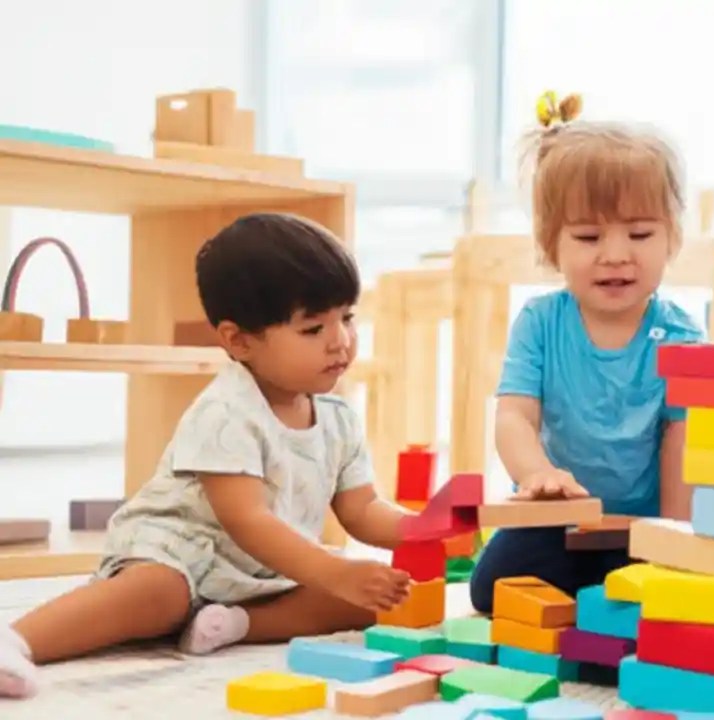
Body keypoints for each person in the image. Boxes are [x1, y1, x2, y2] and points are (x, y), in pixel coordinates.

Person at [0, 213, 414, 699]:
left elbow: (362, 509)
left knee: (374, 601)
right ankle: (18, 639)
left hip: (259, 575)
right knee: (160, 594)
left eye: (347, 318)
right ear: (238, 341)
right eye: (312, 328)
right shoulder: (226, 411)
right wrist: (333, 572)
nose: (340, 340)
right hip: (179, 554)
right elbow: (248, 521)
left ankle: (234, 624)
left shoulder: (338, 418)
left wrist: (425, 531)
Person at [468, 93, 704, 613]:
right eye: (589, 236)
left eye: (640, 233)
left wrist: (675, 538)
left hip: (640, 525)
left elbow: (681, 442)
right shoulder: (540, 322)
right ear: (550, 245)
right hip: (557, 520)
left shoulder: (680, 335)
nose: (615, 255)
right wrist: (537, 476)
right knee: (490, 588)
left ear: (672, 237)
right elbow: (514, 417)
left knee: (659, 595)